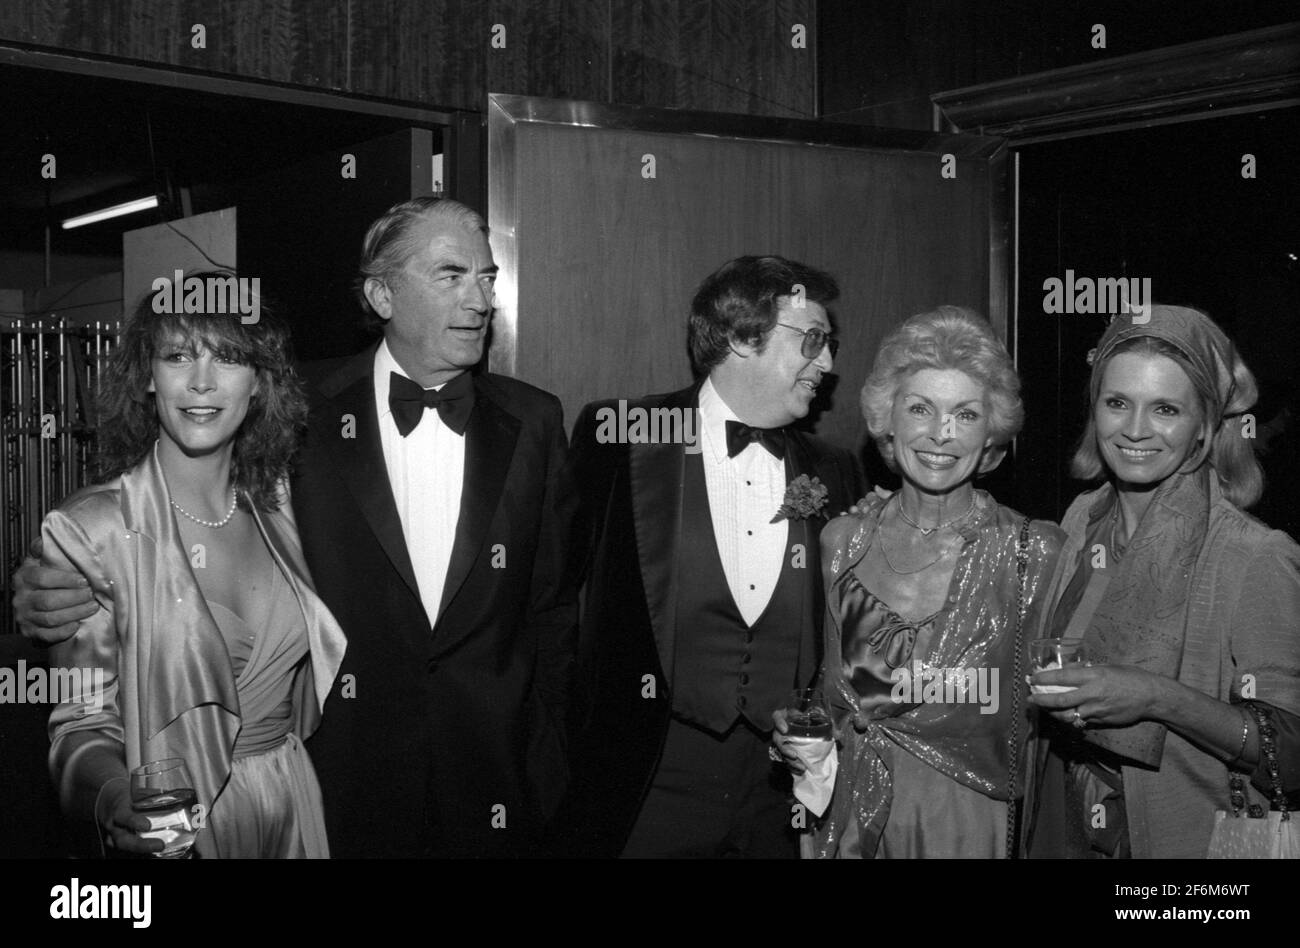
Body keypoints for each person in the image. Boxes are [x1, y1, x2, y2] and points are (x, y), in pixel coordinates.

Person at [17, 197, 580, 858]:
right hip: (339, 791)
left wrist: (554, 766)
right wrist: (47, 585)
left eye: (486, 278)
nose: (480, 299)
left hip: (493, 785)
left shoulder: (535, 421)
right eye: (452, 276)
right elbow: (141, 531)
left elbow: (555, 608)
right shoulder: (302, 421)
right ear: (381, 294)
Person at [558, 255, 865, 858]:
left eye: (830, 345)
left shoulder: (835, 469)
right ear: (741, 337)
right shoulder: (621, 432)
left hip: (780, 798)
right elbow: (554, 598)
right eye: (813, 341)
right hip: (646, 782)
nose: (827, 364)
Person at [41, 277, 346, 858]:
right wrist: (113, 796)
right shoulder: (94, 527)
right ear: (147, 378)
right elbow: (76, 724)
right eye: (178, 355)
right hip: (177, 822)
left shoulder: (281, 504)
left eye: (228, 357)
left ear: (260, 382)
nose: (201, 381)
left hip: (291, 805)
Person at [777, 306, 1063, 858]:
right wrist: (794, 730)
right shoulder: (843, 541)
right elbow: (830, 698)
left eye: (966, 415)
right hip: (848, 822)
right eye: (920, 408)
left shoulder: (1031, 552)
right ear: (888, 421)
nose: (941, 434)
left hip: (964, 827)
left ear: (992, 435)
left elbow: (1057, 727)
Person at [1027, 306, 1300, 859]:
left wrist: (1155, 697)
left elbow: (1291, 752)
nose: (1134, 430)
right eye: (1118, 402)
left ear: (1204, 424)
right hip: (1071, 829)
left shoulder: (1255, 556)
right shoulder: (1082, 518)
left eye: (1166, 409)